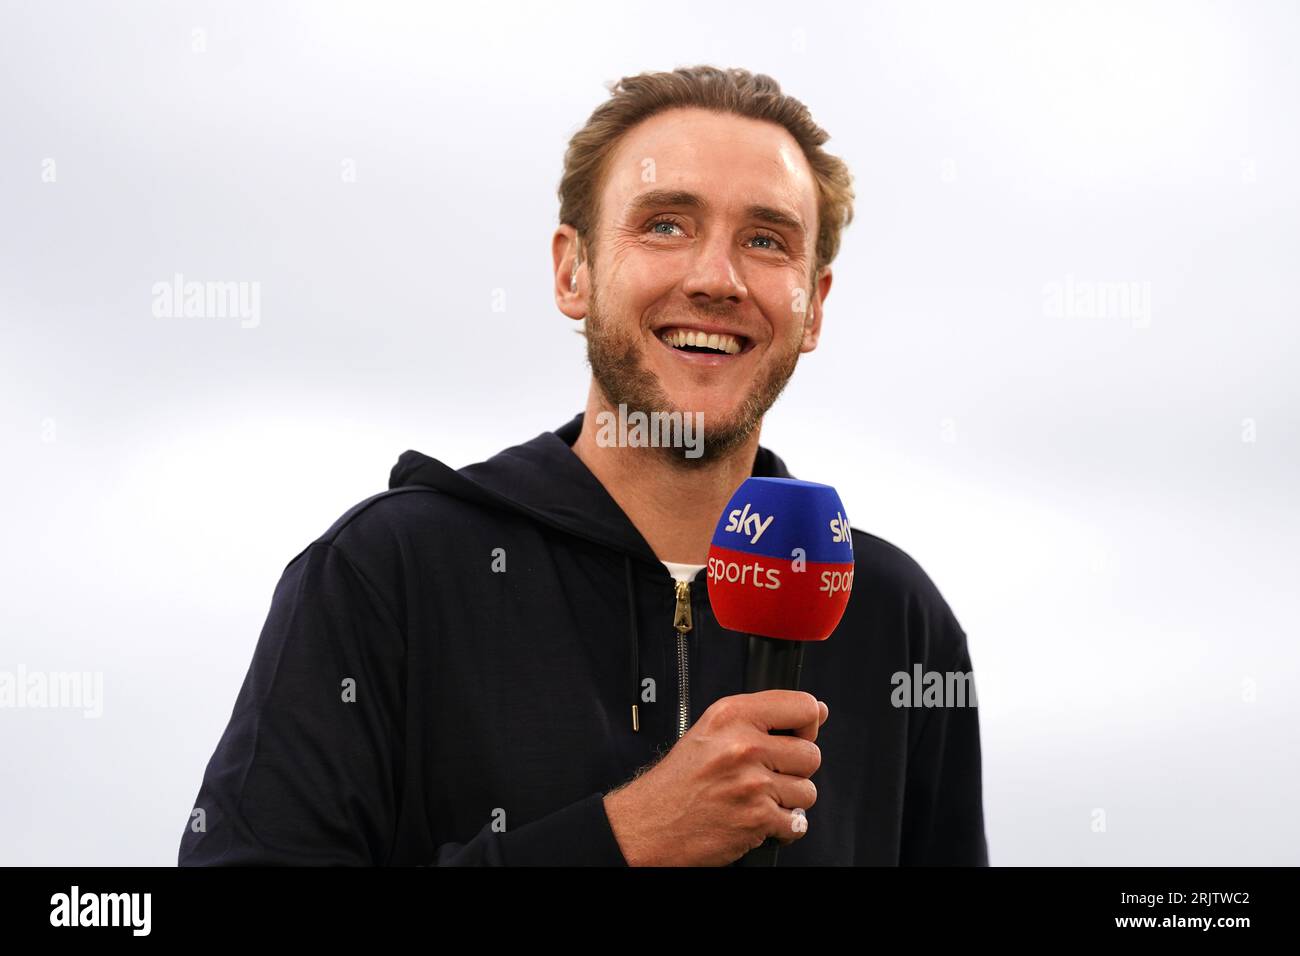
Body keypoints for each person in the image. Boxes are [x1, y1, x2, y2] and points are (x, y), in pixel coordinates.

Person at [178, 65, 988, 866]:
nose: (716, 279)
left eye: (766, 241)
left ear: (814, 306)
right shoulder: (385, 573)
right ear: (574, 271)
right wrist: (622, 839)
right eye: (666, 225)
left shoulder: (897, 617)